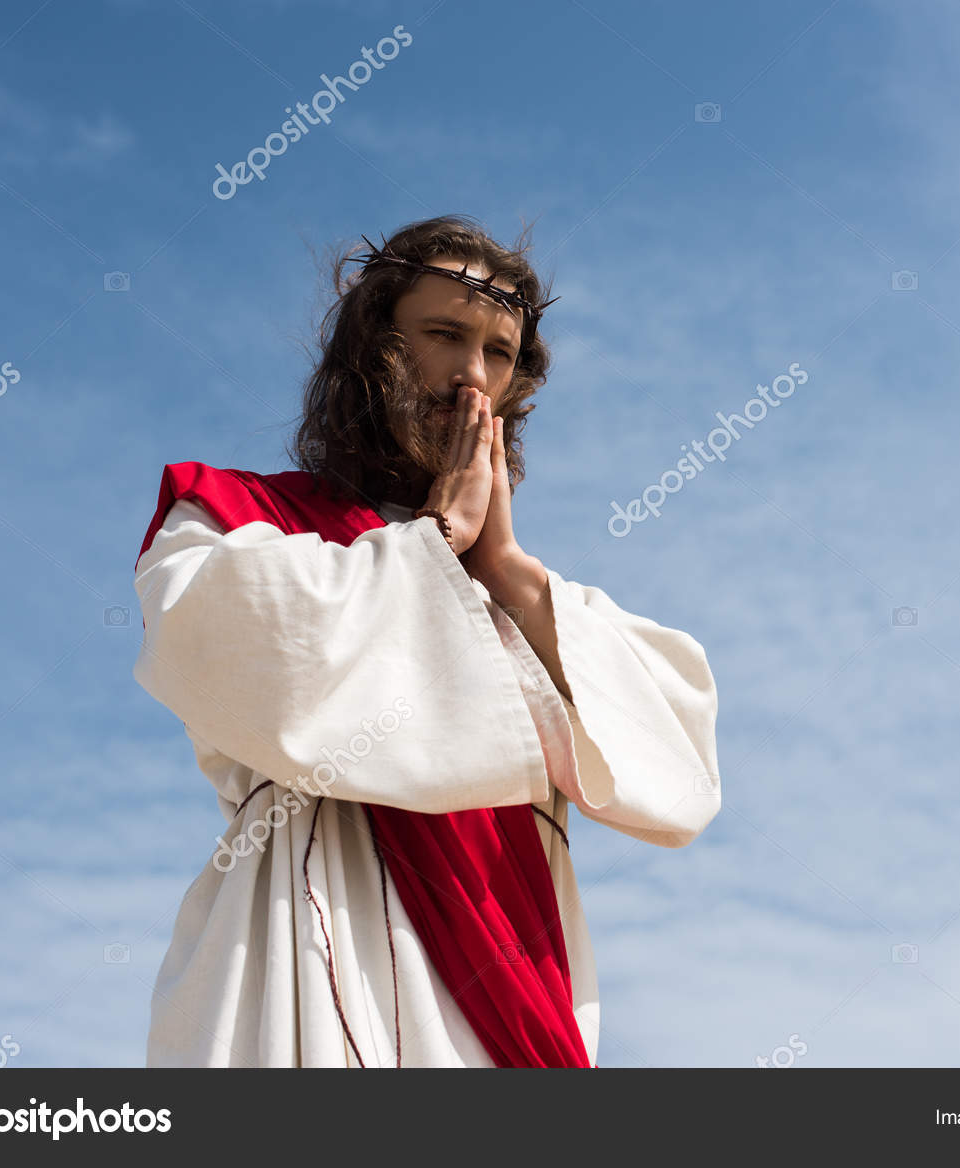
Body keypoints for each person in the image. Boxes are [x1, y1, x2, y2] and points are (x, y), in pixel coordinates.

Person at [129, 214, 721, 1067]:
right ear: (376, 349)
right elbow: (225, 646)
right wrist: (434, 542)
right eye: (445, 334)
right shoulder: (238, 519)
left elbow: (679, 777)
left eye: (500, 352)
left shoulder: (539, 602)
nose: (471, 377)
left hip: (508, 971)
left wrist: (507, 570)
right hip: (303, 938)